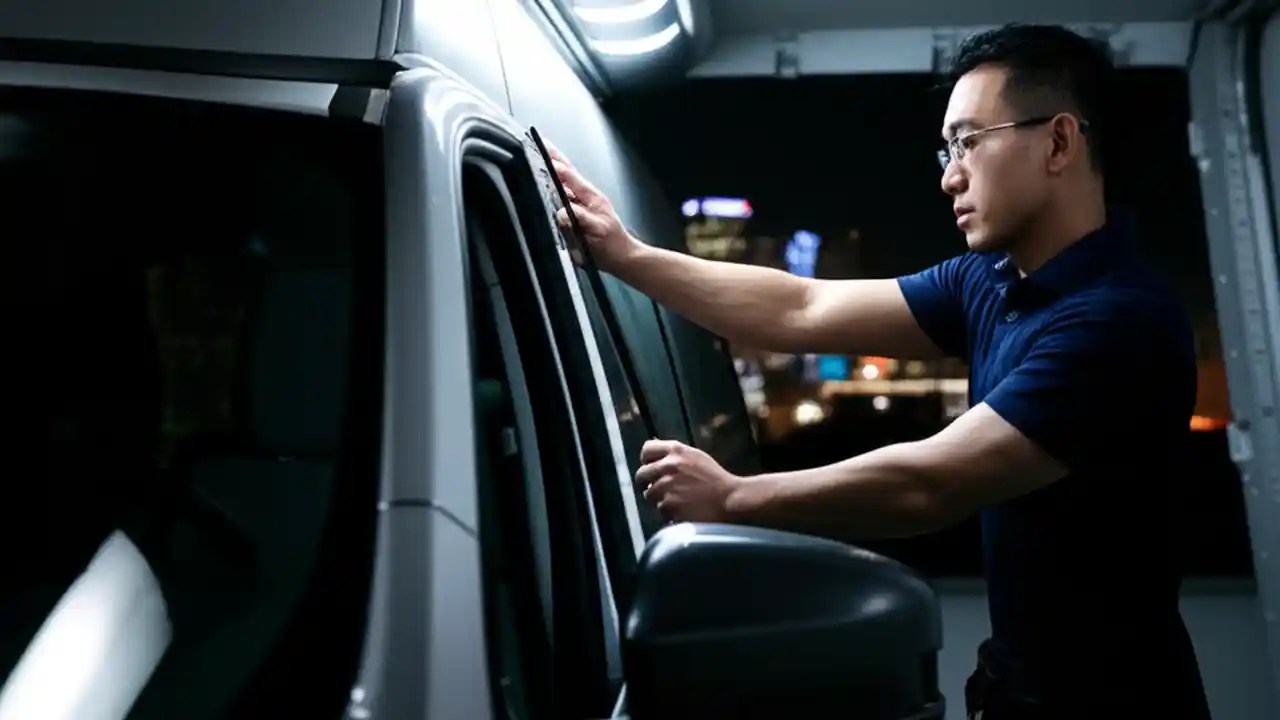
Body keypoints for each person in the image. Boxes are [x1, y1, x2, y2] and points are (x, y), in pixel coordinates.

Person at [549, 22, 1212, 720]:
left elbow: (930, 484)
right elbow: (801, 307)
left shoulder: (1118, 323)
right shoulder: (986, 281)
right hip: (1017, 692)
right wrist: (624, 255)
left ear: (1058, 142)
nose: (949, 174)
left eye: (968, 142)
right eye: (946, 148)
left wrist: (734, 499)